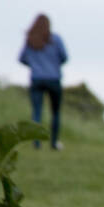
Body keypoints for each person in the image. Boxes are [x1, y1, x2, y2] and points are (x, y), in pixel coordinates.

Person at [18, 14, 68, 150]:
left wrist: (34, 65)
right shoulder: (56, 39)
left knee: (37, 112)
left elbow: (21, 58)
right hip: (54, 78)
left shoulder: (31, 40)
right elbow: (64, 57)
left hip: (37, 78)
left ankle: (37, 142)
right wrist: (54, 65)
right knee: (55, 112)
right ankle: (54, 142)